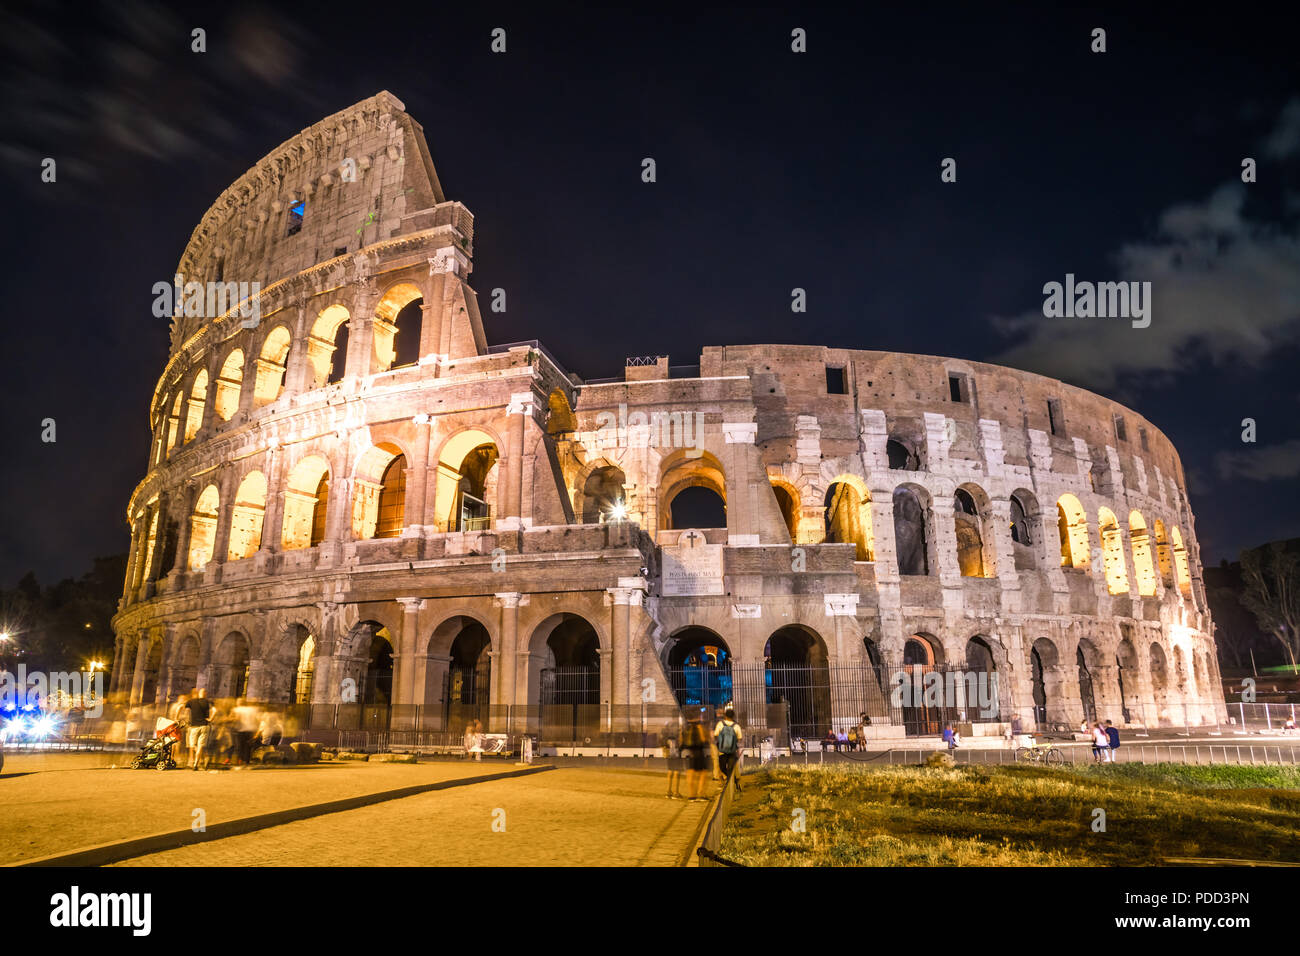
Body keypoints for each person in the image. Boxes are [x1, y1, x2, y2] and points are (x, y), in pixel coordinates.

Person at [713, 708, 743, 792]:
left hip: (722, 750)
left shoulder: (720, 724)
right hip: (732, 750)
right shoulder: (736, 726)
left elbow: (715, 735)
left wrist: (721, 741)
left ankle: (732, 783)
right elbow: (739, 738)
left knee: (722, 768)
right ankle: (734, 783)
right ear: (733, 716)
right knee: (730, 768)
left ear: (725, 716)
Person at [182, 688, 212, 770]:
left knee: (193, 745)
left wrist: (176, 717)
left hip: (193, 727)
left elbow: (182, 708)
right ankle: (197, 763)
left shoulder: (191, 701)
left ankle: (196, 763)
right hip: (204, 726)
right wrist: (211, 719)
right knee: (200, 746)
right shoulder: (207, 702)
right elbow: (213, 711)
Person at [231, 698, 259, 767]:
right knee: (247, 747)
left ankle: (239, 761)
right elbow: (256, 720)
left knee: (239, 746)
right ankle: (246, 761)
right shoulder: (251, 710)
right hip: (250, 730)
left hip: (240, 730)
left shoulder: (237, 710)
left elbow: (236, 719)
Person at [661, 721, 684, 798]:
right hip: (676, 756)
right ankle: (676, 792)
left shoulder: (668, 737)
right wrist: (681, 733)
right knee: (677, 773)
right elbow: (681, 745)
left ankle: (668, 791)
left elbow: (664, 745)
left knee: (670, 772)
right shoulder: (678, 737)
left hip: (670, 756)